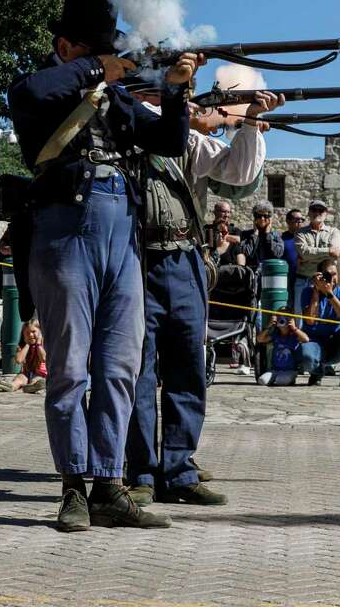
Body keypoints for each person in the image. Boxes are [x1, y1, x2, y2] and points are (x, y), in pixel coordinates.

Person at [8, 0, 200, 531]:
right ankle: (73, 486)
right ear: (66, 46)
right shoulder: (42, 86)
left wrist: (176, 91)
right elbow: (34, 93)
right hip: (65, 229)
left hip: (124, 234)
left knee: (119, 364)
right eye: (91, 50)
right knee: (69, 369)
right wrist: (98, 67)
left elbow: (167, 139)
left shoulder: (112, 97)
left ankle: (110, 484)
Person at [124, 76, 279, 508]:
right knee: (140, 371)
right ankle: (140, 470)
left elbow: (239, 171)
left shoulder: (188, 139)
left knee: (188, 367)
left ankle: (178, 468)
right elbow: (156, 115)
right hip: (138, 258)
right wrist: (188, 110)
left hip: (185, 258)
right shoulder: (131, 125)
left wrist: (249, 122)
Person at [300, 259, 340, 386]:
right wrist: (316, 293)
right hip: (315, 342)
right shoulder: (307, 292)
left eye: (335, 274)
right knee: (306, 358)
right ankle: (317, 372)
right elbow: (310, 321)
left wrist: (330, 295)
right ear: (320, 276)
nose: (333, 278)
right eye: (329, 274)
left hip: (336, 344)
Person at [293, 200, 340, 312]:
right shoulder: (300, 232)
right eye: (314, 210)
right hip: (304, 280)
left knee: (324, 314)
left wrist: (309, 257)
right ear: (309, 213)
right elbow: (303, 252)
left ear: (326, 213)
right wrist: (328, 250)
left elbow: (335, 254)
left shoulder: (334, 232)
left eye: (321, 210)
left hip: (326, 282)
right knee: (300, 316)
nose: (317, 212)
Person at [0, 318, 47, 393]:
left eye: (33, 332)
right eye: (27, 333)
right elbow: (19, 360)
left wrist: (38, 344)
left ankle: (33, 386)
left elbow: (44, 358)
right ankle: (11, 386)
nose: (30, 335)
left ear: (40, 332)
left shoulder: (44, 344)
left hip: (42, 374)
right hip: (27, 373)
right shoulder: (22, 346)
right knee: (19, 379)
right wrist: (27, 344)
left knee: (36, 379)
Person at [256, 316, 309, 385]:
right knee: (262, 380)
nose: (282, 321)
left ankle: (290, 378)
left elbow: (306, 339)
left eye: (285, 319)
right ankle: (281, 378)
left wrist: (294, 328)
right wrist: (269, 326)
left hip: (290, 370)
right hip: (275, 370)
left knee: (281, 381)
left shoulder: (294, 336)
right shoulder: (276, 335)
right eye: (280, 319)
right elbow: (260, 339)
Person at [282, 208, 304, 310]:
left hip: (302, 280)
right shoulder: (281, 239)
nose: (300, 222)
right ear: (288, 221)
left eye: (301, 219)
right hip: (286, 282)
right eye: (296, 219)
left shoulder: (305, 239)